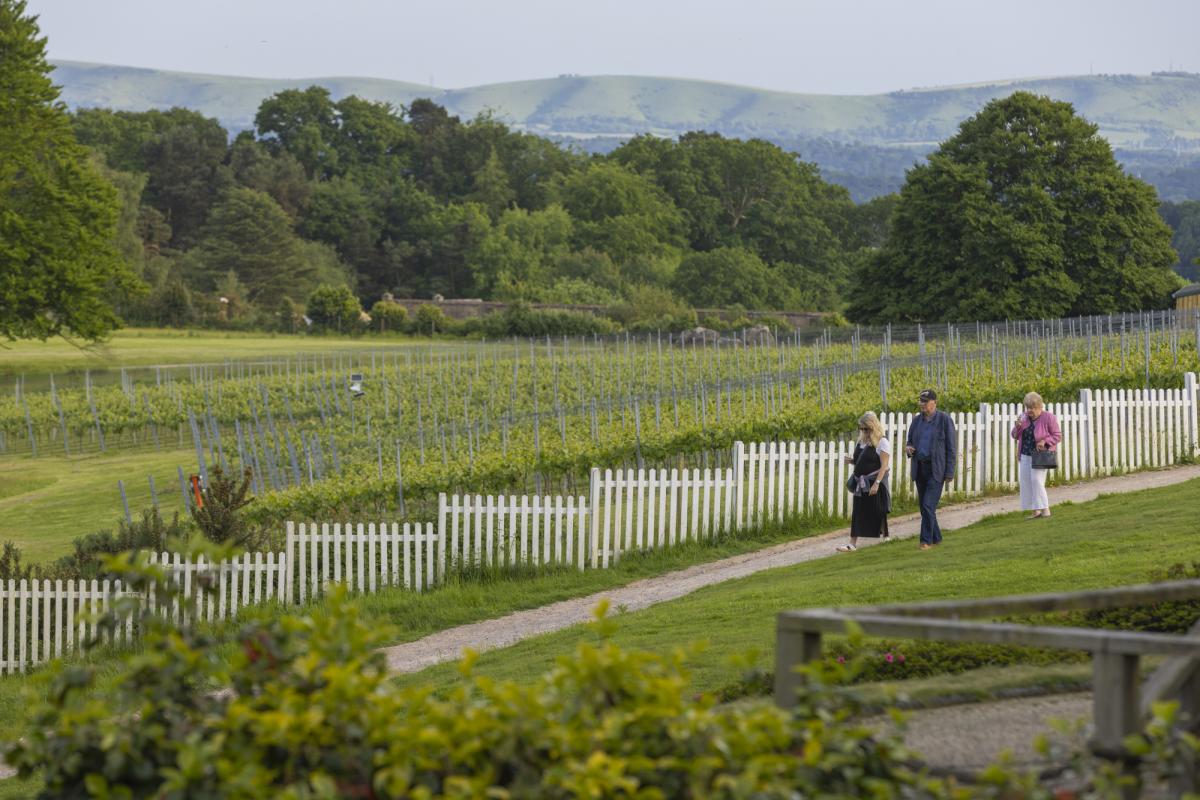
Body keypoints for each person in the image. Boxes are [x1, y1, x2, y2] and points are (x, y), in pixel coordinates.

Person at [904, 389, 957, 550]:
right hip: (920, 468)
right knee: (925, 508)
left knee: (928, 505)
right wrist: (908, 448)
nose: (922, 404)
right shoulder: (916, 421)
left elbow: (951, 448)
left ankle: (925, 541)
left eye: (925, 402)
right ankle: (937, 537)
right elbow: (910, 441)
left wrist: (949, 472)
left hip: (937, 469)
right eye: (920, 401)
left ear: (934, 402)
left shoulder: (944, 420)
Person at [837, 412, 892, 552]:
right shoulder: (861, 442)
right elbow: (862, 461)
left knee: (878, 510)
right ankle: (852, 543)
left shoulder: (882, 442)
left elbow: (884, 465)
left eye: (866, 429)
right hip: (860, 484)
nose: (863, 432)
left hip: (874, 481)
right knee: (858, 511)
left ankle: (886, 536)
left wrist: (877, 483)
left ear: (873, 427)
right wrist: (852, 461)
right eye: (861, 429)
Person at [1010, 391, 1061, 519]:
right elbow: (1014, 436)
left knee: (1037, 481)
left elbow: (1057, 435)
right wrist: (1017, 427)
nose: (1030, 410)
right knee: (1026, 482)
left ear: (1040, 407)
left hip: (1040, 454)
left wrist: (1045, 441)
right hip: (1025, 454)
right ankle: (1035, 511)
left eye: (1032, 408)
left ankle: (1045, 509)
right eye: (1028, 407)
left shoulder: (1049, 417)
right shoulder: (1023, 417)